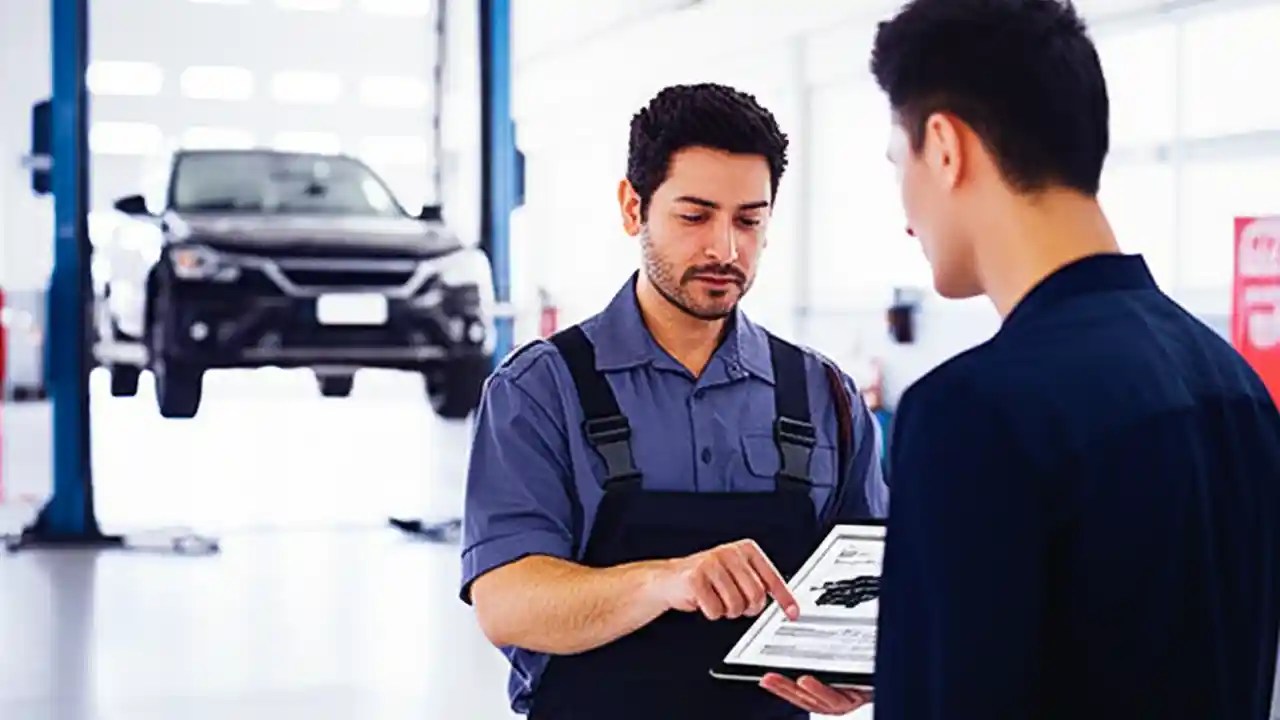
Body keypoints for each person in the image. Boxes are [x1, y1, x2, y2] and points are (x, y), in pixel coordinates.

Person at [765, 0, 1280, 717]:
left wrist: (928, 670)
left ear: (945, 147)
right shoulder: (1233, 384)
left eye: (899, 163)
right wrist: (928, 644)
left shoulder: (975, 413)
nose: (905, 216)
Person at [459, 82, 887, 719]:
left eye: (749, 219)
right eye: (695, 216)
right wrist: (668, 580)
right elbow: (506, 602)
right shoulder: (539, 391)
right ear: (634, 208)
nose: (725, 249)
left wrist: (863, 668)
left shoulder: (825, 396)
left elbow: (873, 587)